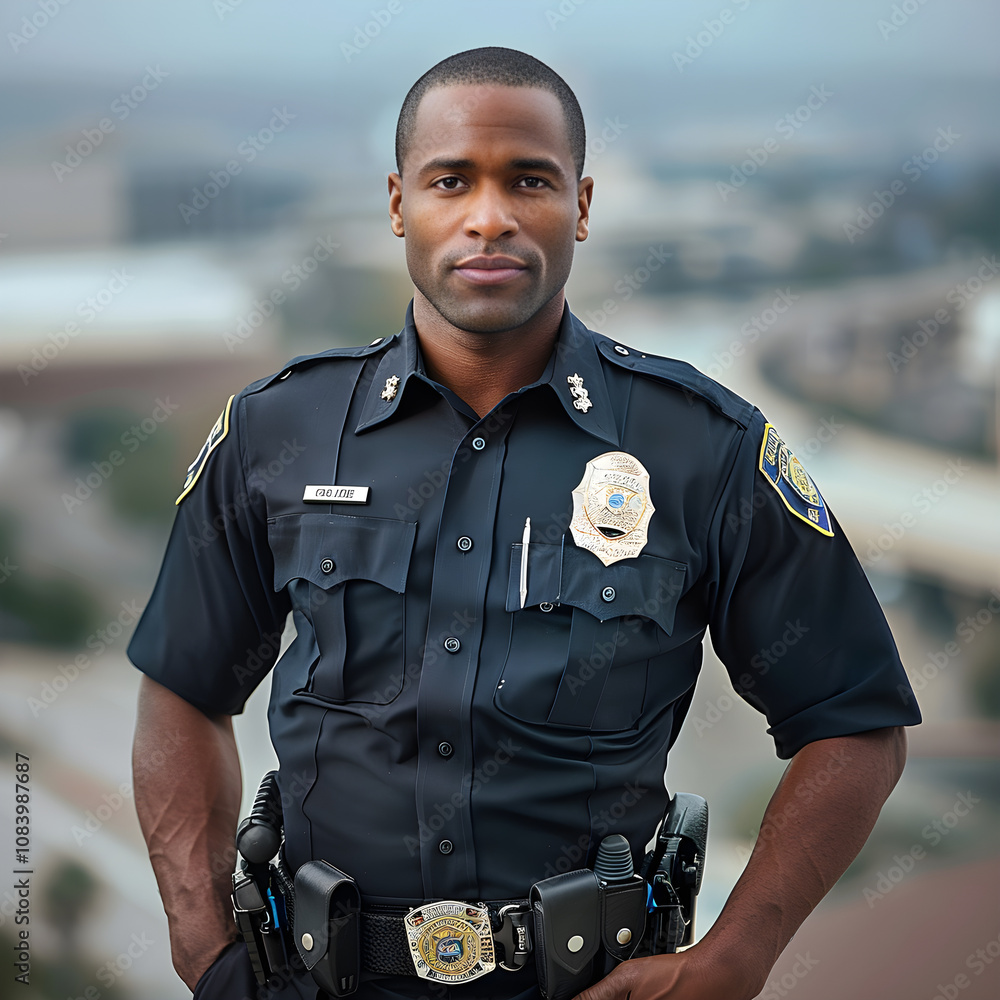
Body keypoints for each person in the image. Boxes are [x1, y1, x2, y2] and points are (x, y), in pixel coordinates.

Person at [129, 46, 921, 1000]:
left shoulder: (702, 449)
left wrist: (737, 954)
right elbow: (181, 686)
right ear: (398, 205)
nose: (490, 216)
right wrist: (203, 949)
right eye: (451, 180)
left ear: (582, 205)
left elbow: (856, 724)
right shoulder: (279, 430)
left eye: (530, 181)